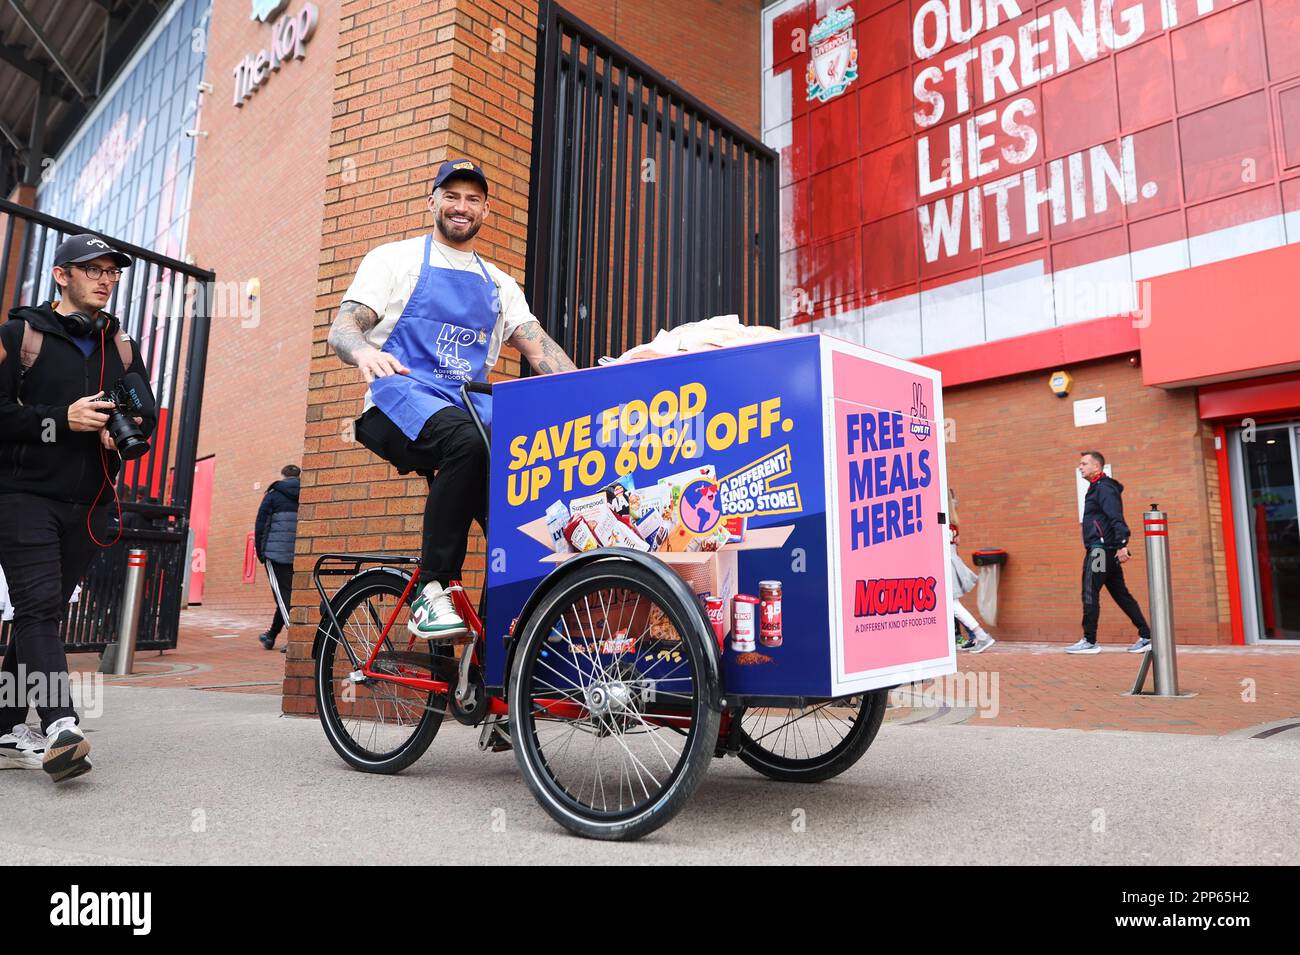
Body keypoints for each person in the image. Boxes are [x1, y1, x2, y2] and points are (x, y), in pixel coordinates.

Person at [328, 159, 576, 638]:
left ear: (486, 209)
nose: (461, 207)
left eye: (472, 199)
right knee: (468, 443)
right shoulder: (393, 260)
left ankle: (505, 647)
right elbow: (343, 328)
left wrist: (589, 391)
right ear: (433, 201)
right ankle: (431, 586)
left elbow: (536, 345)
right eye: (452, 195)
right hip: (396, 401)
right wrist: (362, 352)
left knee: (523, 507)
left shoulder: (501, 285)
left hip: (466, 408)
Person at [0, 234, 157, 780]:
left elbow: (146, 412)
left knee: (38, 611)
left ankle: (4, 721)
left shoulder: (121, 346)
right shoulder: (19, 335)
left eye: (113, 271)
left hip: (91, 503)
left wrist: (129, 430)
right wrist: (57, 422)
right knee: (41, 606)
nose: (107, 279)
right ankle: (62, 725)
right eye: (93, 269)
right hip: (23, 497)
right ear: (61, 276)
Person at [1068, 450, 1151, 655]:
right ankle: (1147, 636)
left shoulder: (1103, 488)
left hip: (1100, 550)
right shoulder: (1097, 488)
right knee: (1121, 594)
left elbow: (1115, 516)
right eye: (1080, 464)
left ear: (1096, 467)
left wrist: (1122, 543)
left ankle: (1089, 640)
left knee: (1089, 591)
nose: (1080, 467)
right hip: (1107, 551)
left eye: (1084, 463)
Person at [254, 464, 300, 652]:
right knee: (286, 595)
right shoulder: (306, 494)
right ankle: (271, 635)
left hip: (276, 554)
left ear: (282, 476)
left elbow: (260, 525)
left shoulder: (273, 495)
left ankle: (295, 640)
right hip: (297, 554)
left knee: (283, 597)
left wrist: (261, 553)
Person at [948, 488, 993, 653]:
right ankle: (977, 636)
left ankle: (980, 635)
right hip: (953, 561)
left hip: (946, 563)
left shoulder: (941, 520)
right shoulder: (952, 521)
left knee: (952, 605)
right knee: (950, 605)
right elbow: (956, 542)